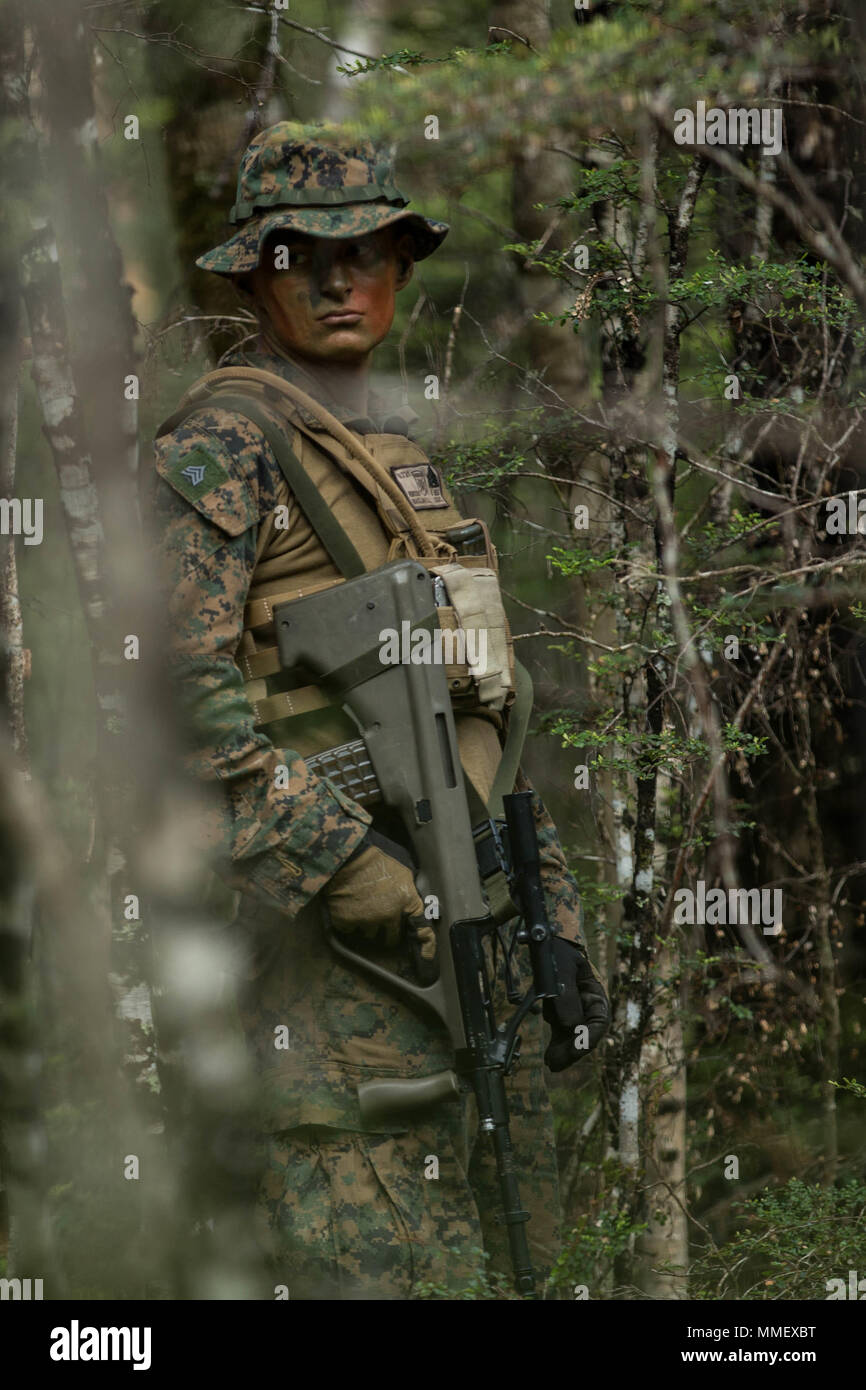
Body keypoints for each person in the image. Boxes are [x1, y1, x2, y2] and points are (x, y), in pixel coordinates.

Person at [150, 121, 609, 1300]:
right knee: (375, 1254)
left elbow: (482, 703)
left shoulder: (404, 462)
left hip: (465, 932)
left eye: (367, 251)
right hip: (327, 961)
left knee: (508, 1252)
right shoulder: (218, 446)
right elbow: (170, 688)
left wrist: (544, 916)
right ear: (256, 270)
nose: (339, 278)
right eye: (304, 253)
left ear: (402, 265)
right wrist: (344, 867)